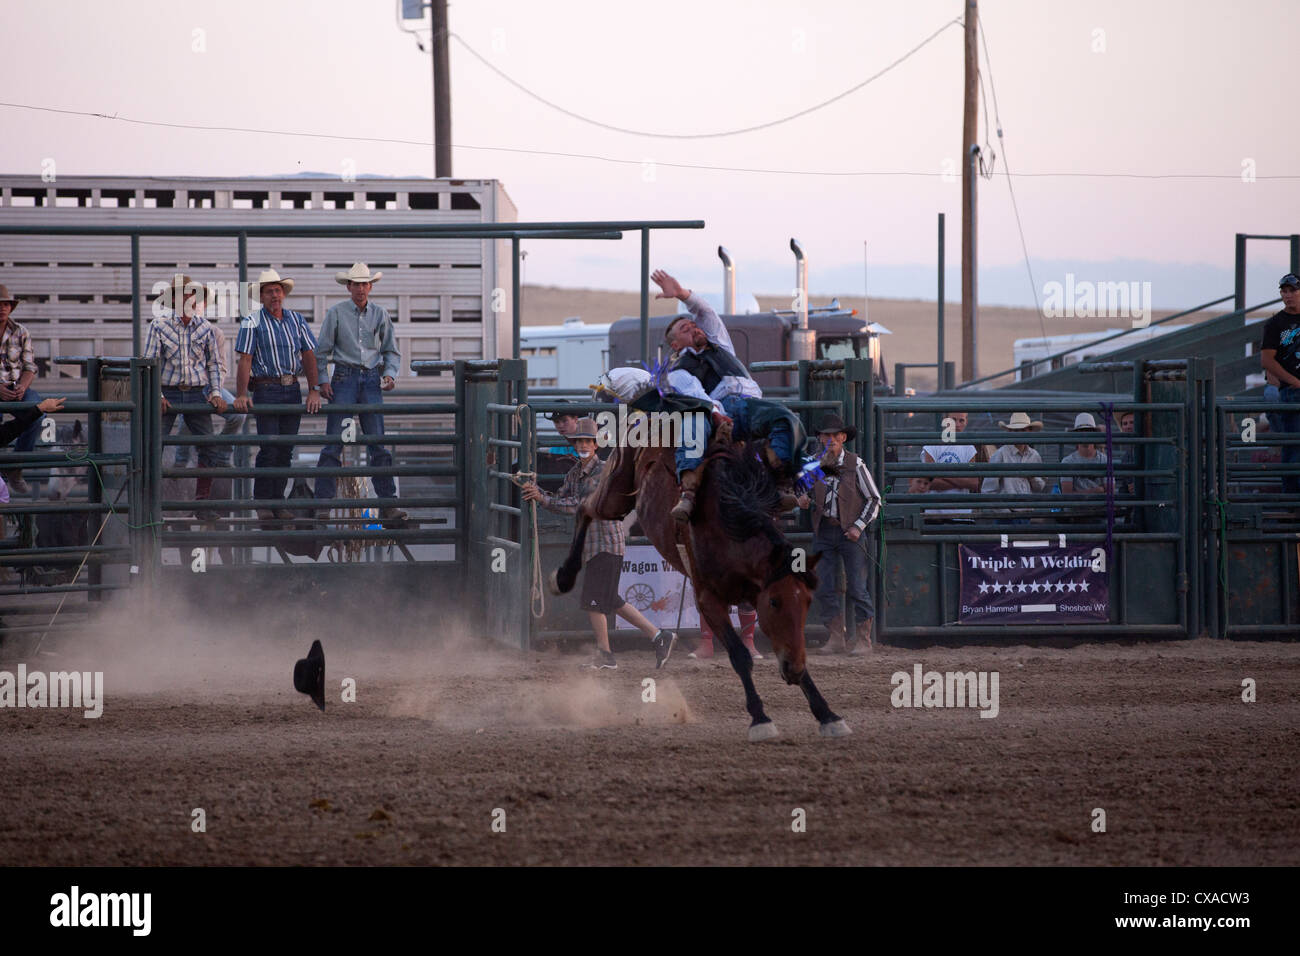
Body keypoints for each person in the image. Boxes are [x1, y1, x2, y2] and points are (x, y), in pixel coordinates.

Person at [520, 418, 677, 670]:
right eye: (579, 441)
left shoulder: (603, 472)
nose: (582, 445)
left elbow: (578, 506)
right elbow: (562, 498)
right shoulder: (575, 473)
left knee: (593, 600)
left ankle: (606, 656)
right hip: (599, 545)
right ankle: (659, 636)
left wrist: (542, 498)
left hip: (605, 543)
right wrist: (538, 492)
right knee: (610, 599)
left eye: (586, 441)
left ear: (595, 445)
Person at [653, 269, 804, 519]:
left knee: (786, 418)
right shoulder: (679, 370)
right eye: (685, 329)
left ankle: (779, 482)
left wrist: (682, 294)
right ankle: (688, 491)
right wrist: (717, 414)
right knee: (695, 420)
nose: (694, 328)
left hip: (752, 404)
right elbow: (697, 396)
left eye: (693, 325)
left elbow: (706, 313)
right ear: (676, 345)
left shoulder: (720, 344)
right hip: (724, 407)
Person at [313, 263, 406, 525]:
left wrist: (389, 374)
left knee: (377, 443)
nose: (361, 289)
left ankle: (388, 504)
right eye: (356, 284)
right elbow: (322, 350)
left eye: (365, 284)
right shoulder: (336, 313)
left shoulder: (380, 314)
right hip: (344, 377)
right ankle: (323, 504)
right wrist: (323, 381)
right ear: (349, 287)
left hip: (370, 379)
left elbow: (390, 350)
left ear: (370, 287)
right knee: (335, 442)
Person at [232, 269, 322, 527]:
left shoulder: (296, 320)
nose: (275, 295)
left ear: (284, 294)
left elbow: (308, 355)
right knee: (269, 447)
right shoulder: (252, 321)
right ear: (261, 296)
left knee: (285, 448)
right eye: (270, 291)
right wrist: (241, 394)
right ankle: (263, 501)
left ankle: (278, 500)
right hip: (266, 388)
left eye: (278, 290)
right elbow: (245, 359)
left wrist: (313, 389)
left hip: (291, 387)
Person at [142, 275, 229, 518]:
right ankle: (150, 504)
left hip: (195, 392)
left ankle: (202, 502)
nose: (187, 298)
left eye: (191, 294)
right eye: (182, 294)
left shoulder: (205, 328)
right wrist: (157, 394)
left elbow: (213, 364)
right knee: (152, 446)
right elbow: (150, 363)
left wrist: (214, 393)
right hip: (167, 392)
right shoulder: (158, 326)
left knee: (209, 447)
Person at [796, 414, 882, 655]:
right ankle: (836, 637)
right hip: (824, 530)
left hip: (849, 532)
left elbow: (874, 499)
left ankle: (863, 639)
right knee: (823, 585)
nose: (831, 439)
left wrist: (858, 526)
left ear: (843, 438)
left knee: (857, 587)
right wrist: (802, 499)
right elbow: (802, 492)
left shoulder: (856, 464)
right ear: (820, 438)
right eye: (826, 436)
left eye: (835, 435)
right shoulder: (814, 464)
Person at [1260, 273, 1300, 496]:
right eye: (1284, 291)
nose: (1288, 295)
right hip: (1292, 394)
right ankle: (1292, 502)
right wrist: (1293, 381)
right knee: (1294, 447)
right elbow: (1267, 361)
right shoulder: (1276, 324)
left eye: (1292, 290)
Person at [0, 284, 41, 494]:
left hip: (17, 388)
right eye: (0, 304)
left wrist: (23, 386)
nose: (2, 308)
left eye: (6, 304)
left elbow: (30, 366)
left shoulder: (21, 331)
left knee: (37, 412)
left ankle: (16, 466)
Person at [913, 410, 979, 515]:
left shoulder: (969, 448)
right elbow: (931, 483)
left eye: (961, 420)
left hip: (962, 513)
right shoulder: (932, 445)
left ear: (966, 422)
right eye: (953, 420)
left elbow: (974, 483)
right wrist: (961, 480)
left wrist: (942, 475)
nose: (957, 424)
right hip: (935, 513)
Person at [981, 413, 1047, 506]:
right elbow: (988, 490)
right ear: (1010, 432)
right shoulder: (1000, 455)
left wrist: (1032, 477)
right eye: (1016, 430)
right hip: (1007, 515)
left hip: (1026, 512)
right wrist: (1004, 511)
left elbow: (1039, 487)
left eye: (1023, 430)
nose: (1020, 434)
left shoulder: (1034, 455)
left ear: (1029, 432)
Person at [1060, 412, 1112, 495]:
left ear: (1094, 433)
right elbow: (1067, 495)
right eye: (1081, 431)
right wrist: (1096, 491)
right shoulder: (1067, 461)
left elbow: (1110, 491)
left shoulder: (1105, 460)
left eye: (1088, 430)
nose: (1085, 434)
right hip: (1081, 507)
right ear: (1076, 435)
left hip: (1098, 508)